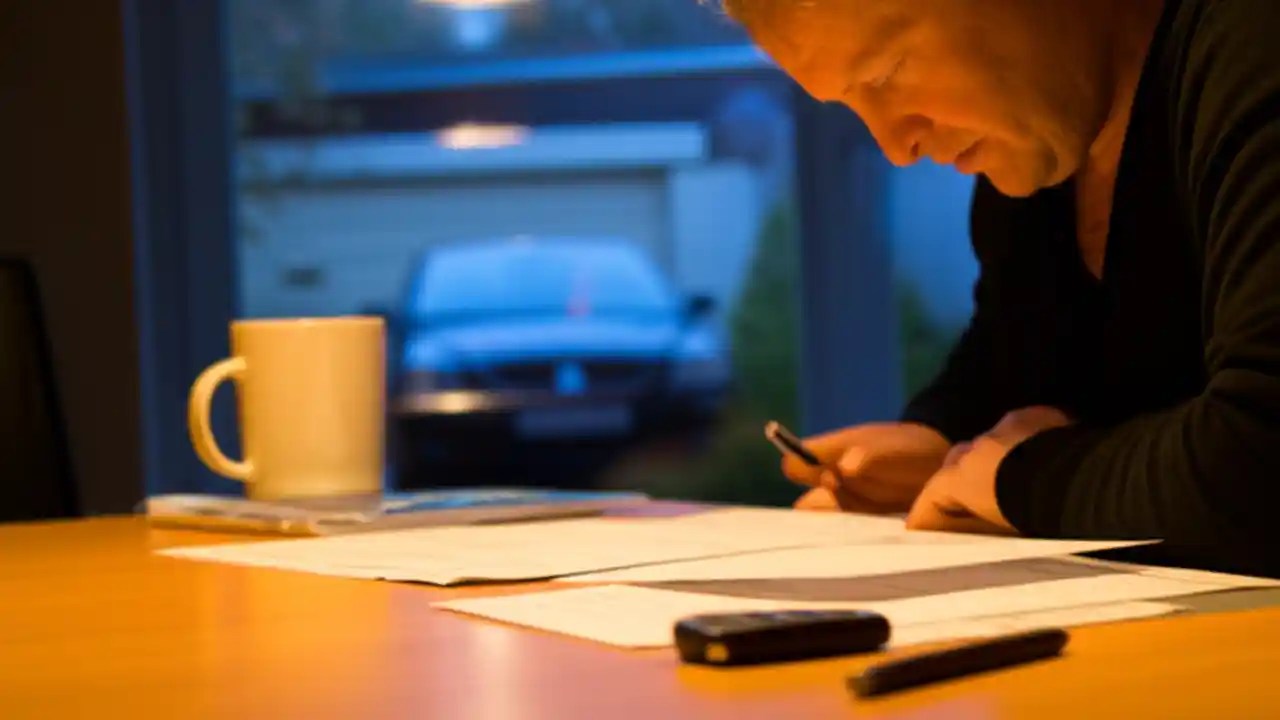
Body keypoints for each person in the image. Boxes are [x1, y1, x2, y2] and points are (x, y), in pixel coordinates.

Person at [717, 0, 1280, 577]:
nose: (897, 147)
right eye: (851, 104)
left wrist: (1024, 480)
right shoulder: (1044, 137)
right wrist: (944, 442)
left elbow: (1259, 462)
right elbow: (1015, 359)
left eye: (887, 73)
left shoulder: (1253, 45)